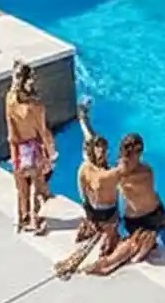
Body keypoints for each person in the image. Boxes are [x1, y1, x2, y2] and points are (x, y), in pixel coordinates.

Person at [86, 132, 165, 276]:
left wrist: (164, 215)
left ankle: (110, 260)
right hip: (136, 220)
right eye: (132, 154)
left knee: (141, 244)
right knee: (135, 244)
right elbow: (100, 185)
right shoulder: (119, 173)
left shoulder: (146, 169)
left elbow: (152, 194)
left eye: (138, 153)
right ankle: (106, 263)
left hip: (157, 213)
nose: (135, 157)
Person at [54, 100, 122, 280]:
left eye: (106, 151)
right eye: (102, 152)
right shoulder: (88, 170)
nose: (105, 154)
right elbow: (83, 193)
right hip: (100, 211)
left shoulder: (101, 166)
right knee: (108, 244)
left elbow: (89, 136)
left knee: (109, 240)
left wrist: (83, 118)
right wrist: (90, 214)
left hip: (107, 210)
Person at [5, 61, 56, 235]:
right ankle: (34, 220)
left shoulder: (9, 100)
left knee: (21, 185)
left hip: (18, 146)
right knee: (37, 182)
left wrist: (14, 154)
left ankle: (21, 218)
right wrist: (50, 154)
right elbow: (42, 132)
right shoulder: (35, 106)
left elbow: (11, 131)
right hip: (33, 146)